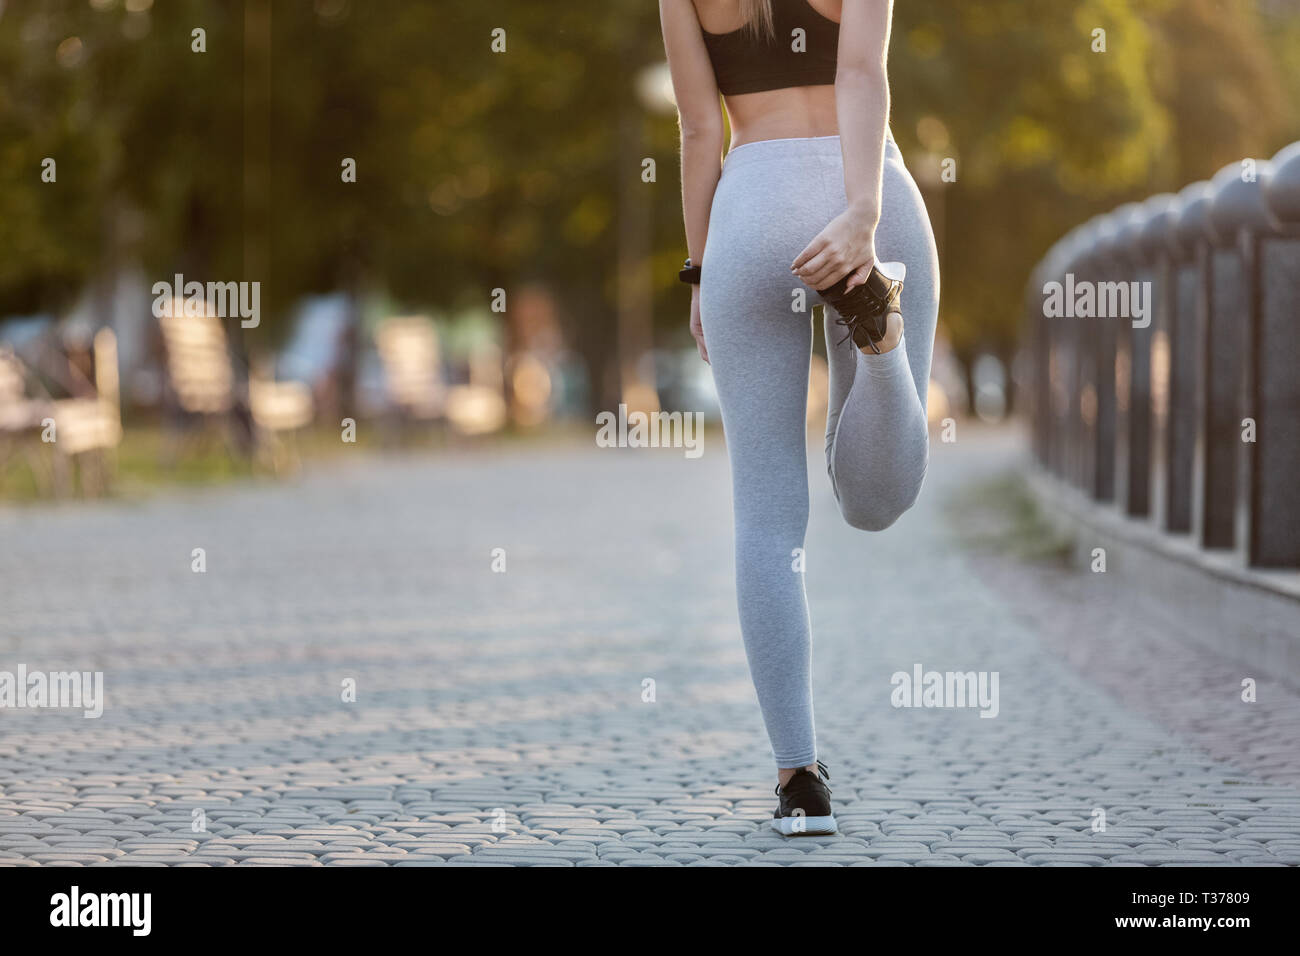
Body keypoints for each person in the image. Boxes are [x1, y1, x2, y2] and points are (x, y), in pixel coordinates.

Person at [658, 0, 939, 835]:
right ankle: (877, 340)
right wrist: (861, 215)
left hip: (750, 202)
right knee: (876, 501)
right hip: (869, 183)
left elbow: (698, 129)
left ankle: (798, 779)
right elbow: (860, 73)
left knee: (768, 516)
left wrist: (702, 270)